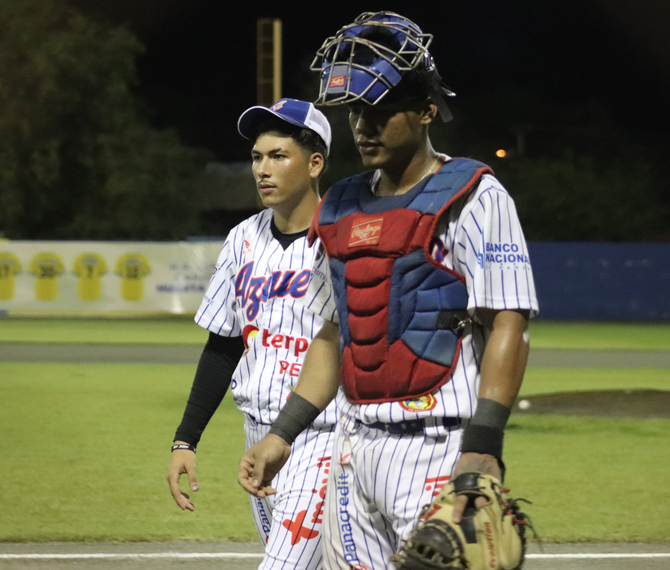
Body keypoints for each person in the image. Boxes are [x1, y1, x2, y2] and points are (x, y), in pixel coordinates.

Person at [238, 12, 538, 570]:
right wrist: (282, 434)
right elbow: (332, 336)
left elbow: (509, 324)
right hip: (352, 449)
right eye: (355, 111)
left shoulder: (475, 195)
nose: (363, 126)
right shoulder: (341, 205)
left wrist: (484, 444)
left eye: (380, 110)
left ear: (426, 110)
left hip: (438, 447)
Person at [167, 98, 337, 570]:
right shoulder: (243, 239)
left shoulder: (343, 240)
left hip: (323, 437)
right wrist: (186, 440)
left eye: (278, 156)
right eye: (257, 157)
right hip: (257, 436)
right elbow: (225, 344)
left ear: (314, 162)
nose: (263, 169)